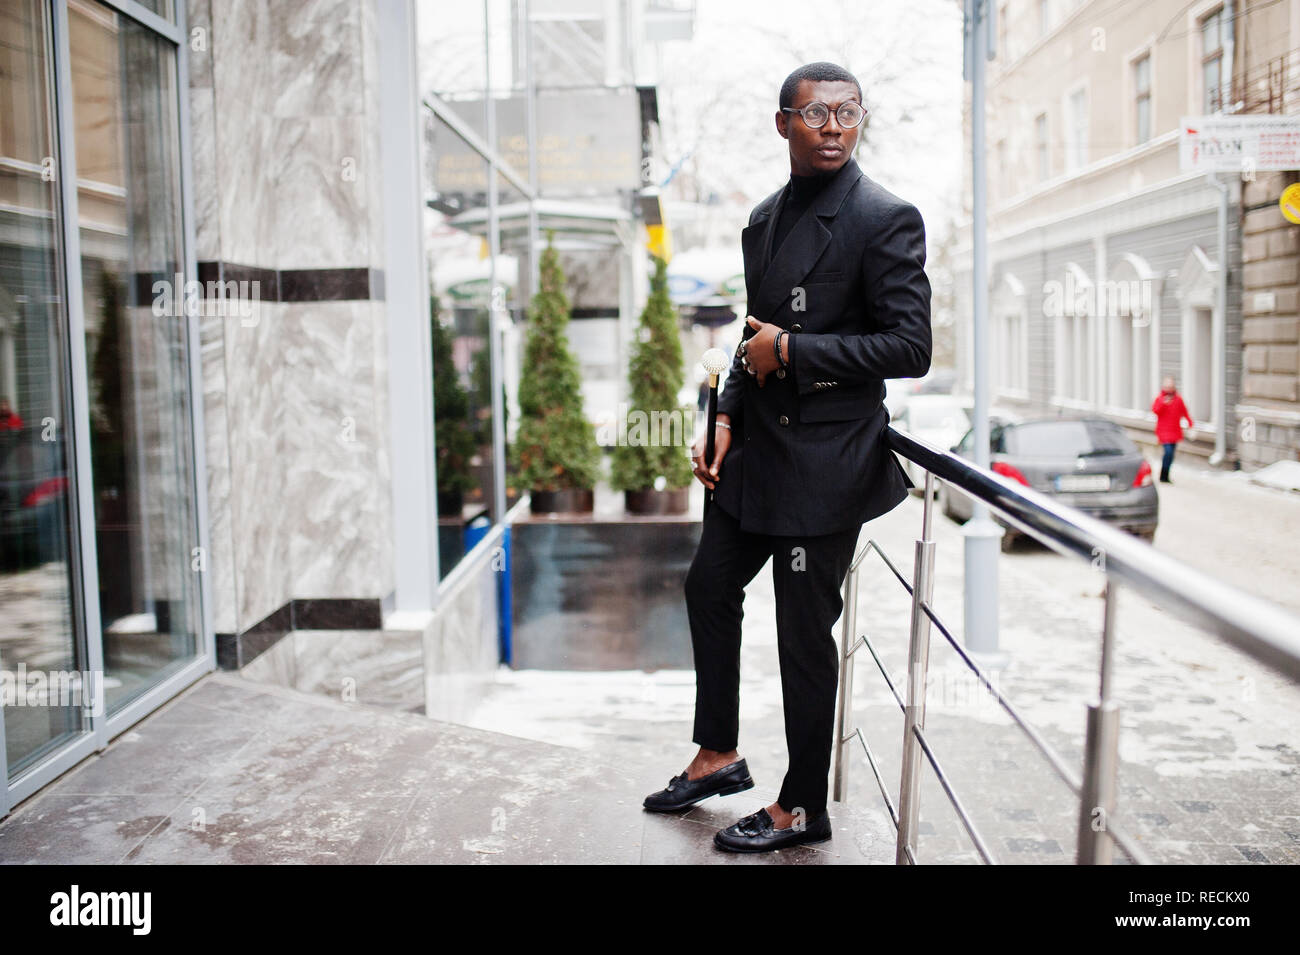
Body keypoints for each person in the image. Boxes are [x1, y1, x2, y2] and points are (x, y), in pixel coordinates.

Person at [642, 62, 931, 853]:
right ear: (784, 124)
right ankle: (718, 752)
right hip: (757, 458)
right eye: (816, 114)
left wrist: (795, 350)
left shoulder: (885, 217)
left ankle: (804, 803)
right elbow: (751, 334)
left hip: (826, 464)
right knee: (709, 585)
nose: (834, 125)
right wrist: (725, 412)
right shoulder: (764, 218)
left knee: (803, 634)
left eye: (848, 112)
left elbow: (911, 347)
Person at [1151, 377, 1192, 484]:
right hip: (1164, 431)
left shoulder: (1178, 399)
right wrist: (1163, 403)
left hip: (1174, 431)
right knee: (1168, 452)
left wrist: (1190, 422)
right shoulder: (1160, 399)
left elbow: (1184, 411)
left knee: (1171, 454)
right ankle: (1163, 475)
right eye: (1167, 387)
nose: (1169, 389)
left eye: (1171, 387)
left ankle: (1166, 474)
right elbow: (1155, 410)